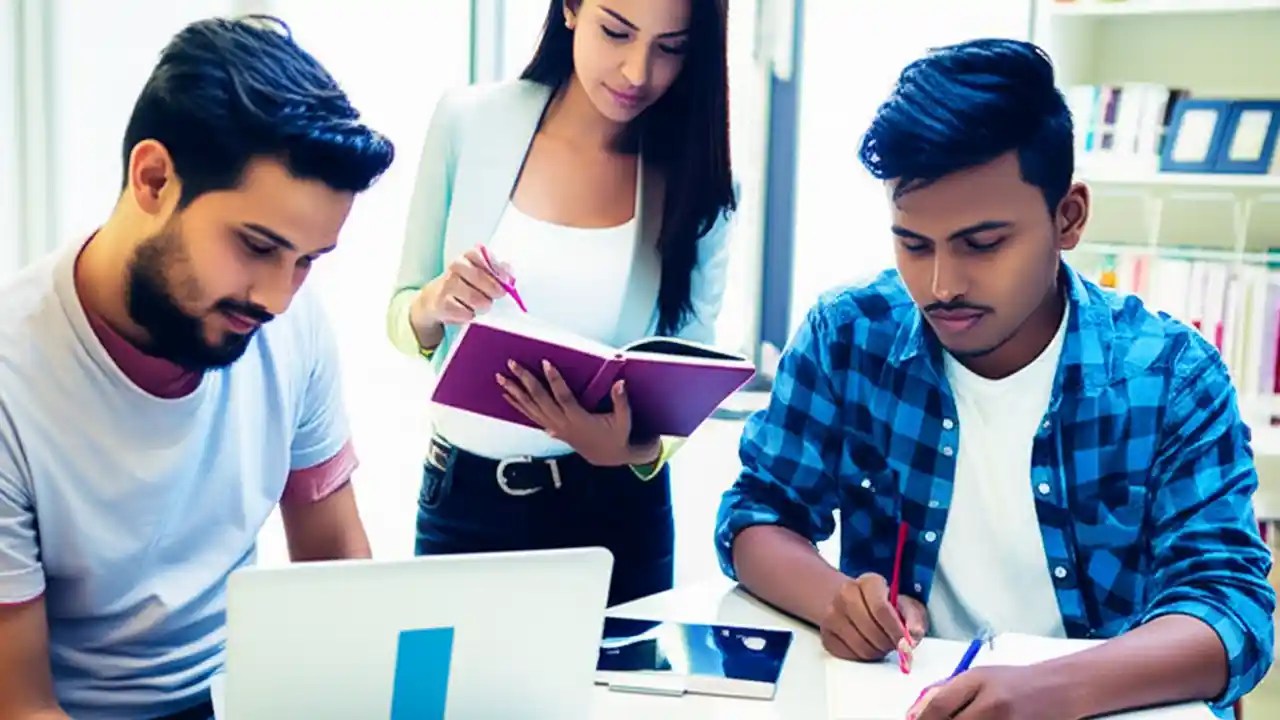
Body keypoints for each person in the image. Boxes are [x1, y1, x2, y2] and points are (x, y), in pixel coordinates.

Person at [715, 38, 1274, 720]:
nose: (942, 285)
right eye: (913, 245)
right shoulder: (849, 336)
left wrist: (1048, 690)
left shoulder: (1171, 376)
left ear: (1067, 218)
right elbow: (756, 516)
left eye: (983, 244)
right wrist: (836, 598)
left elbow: (1230, 610)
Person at [0, 16, 394, 720]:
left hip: (241, 697)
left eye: (307, 261)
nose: (276, 297)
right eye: (256, 245)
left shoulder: (291, 324)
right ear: (153, 178)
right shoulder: (12, 379)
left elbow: (334, 556)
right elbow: (21, 704)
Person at [387, 0, 735, 607]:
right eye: (616, 31)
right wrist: (436, 302)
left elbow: (692, 368)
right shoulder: (468, 121)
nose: (636, 72)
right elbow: (401, 313)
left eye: (670, 47)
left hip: (613, 512)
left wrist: (633, 451)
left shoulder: (698, 177)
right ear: (571, 8)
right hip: (463, 502)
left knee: (609, 702)